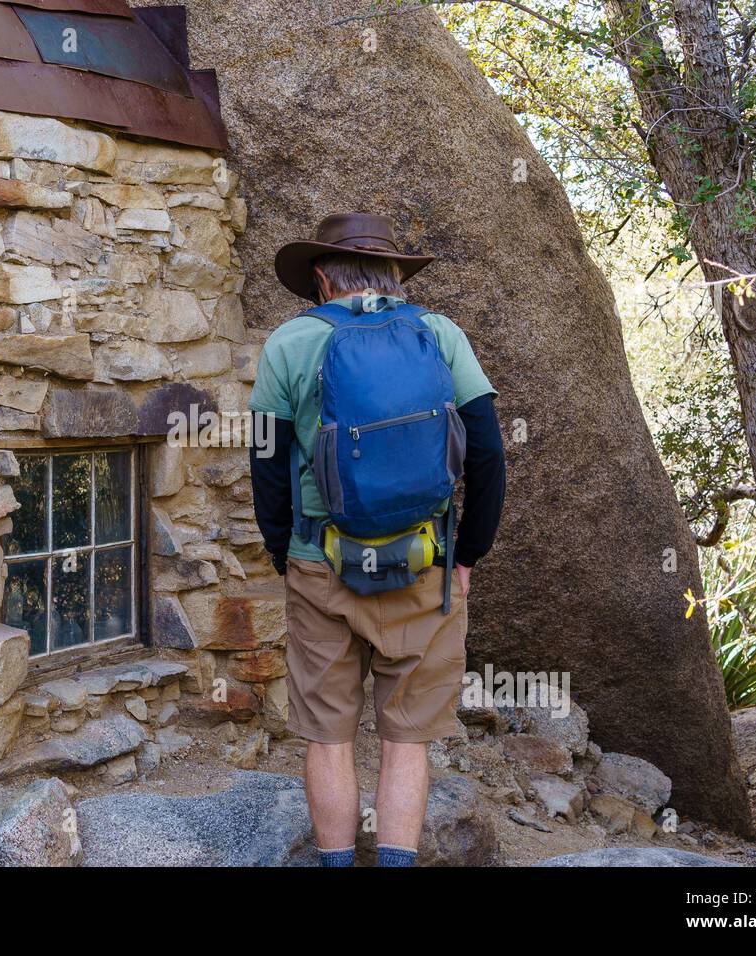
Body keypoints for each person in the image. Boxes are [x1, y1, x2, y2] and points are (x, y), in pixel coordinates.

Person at [248, 212, 506, 867]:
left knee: (328, 737)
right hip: (423, 565)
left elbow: (264, 461)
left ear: (321, 276)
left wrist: (285, 552)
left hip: (320, 562)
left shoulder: (288, 343)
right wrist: (467, 555)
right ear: (394, 273)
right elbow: (487, 452)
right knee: (406, 739)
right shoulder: (440, 334)